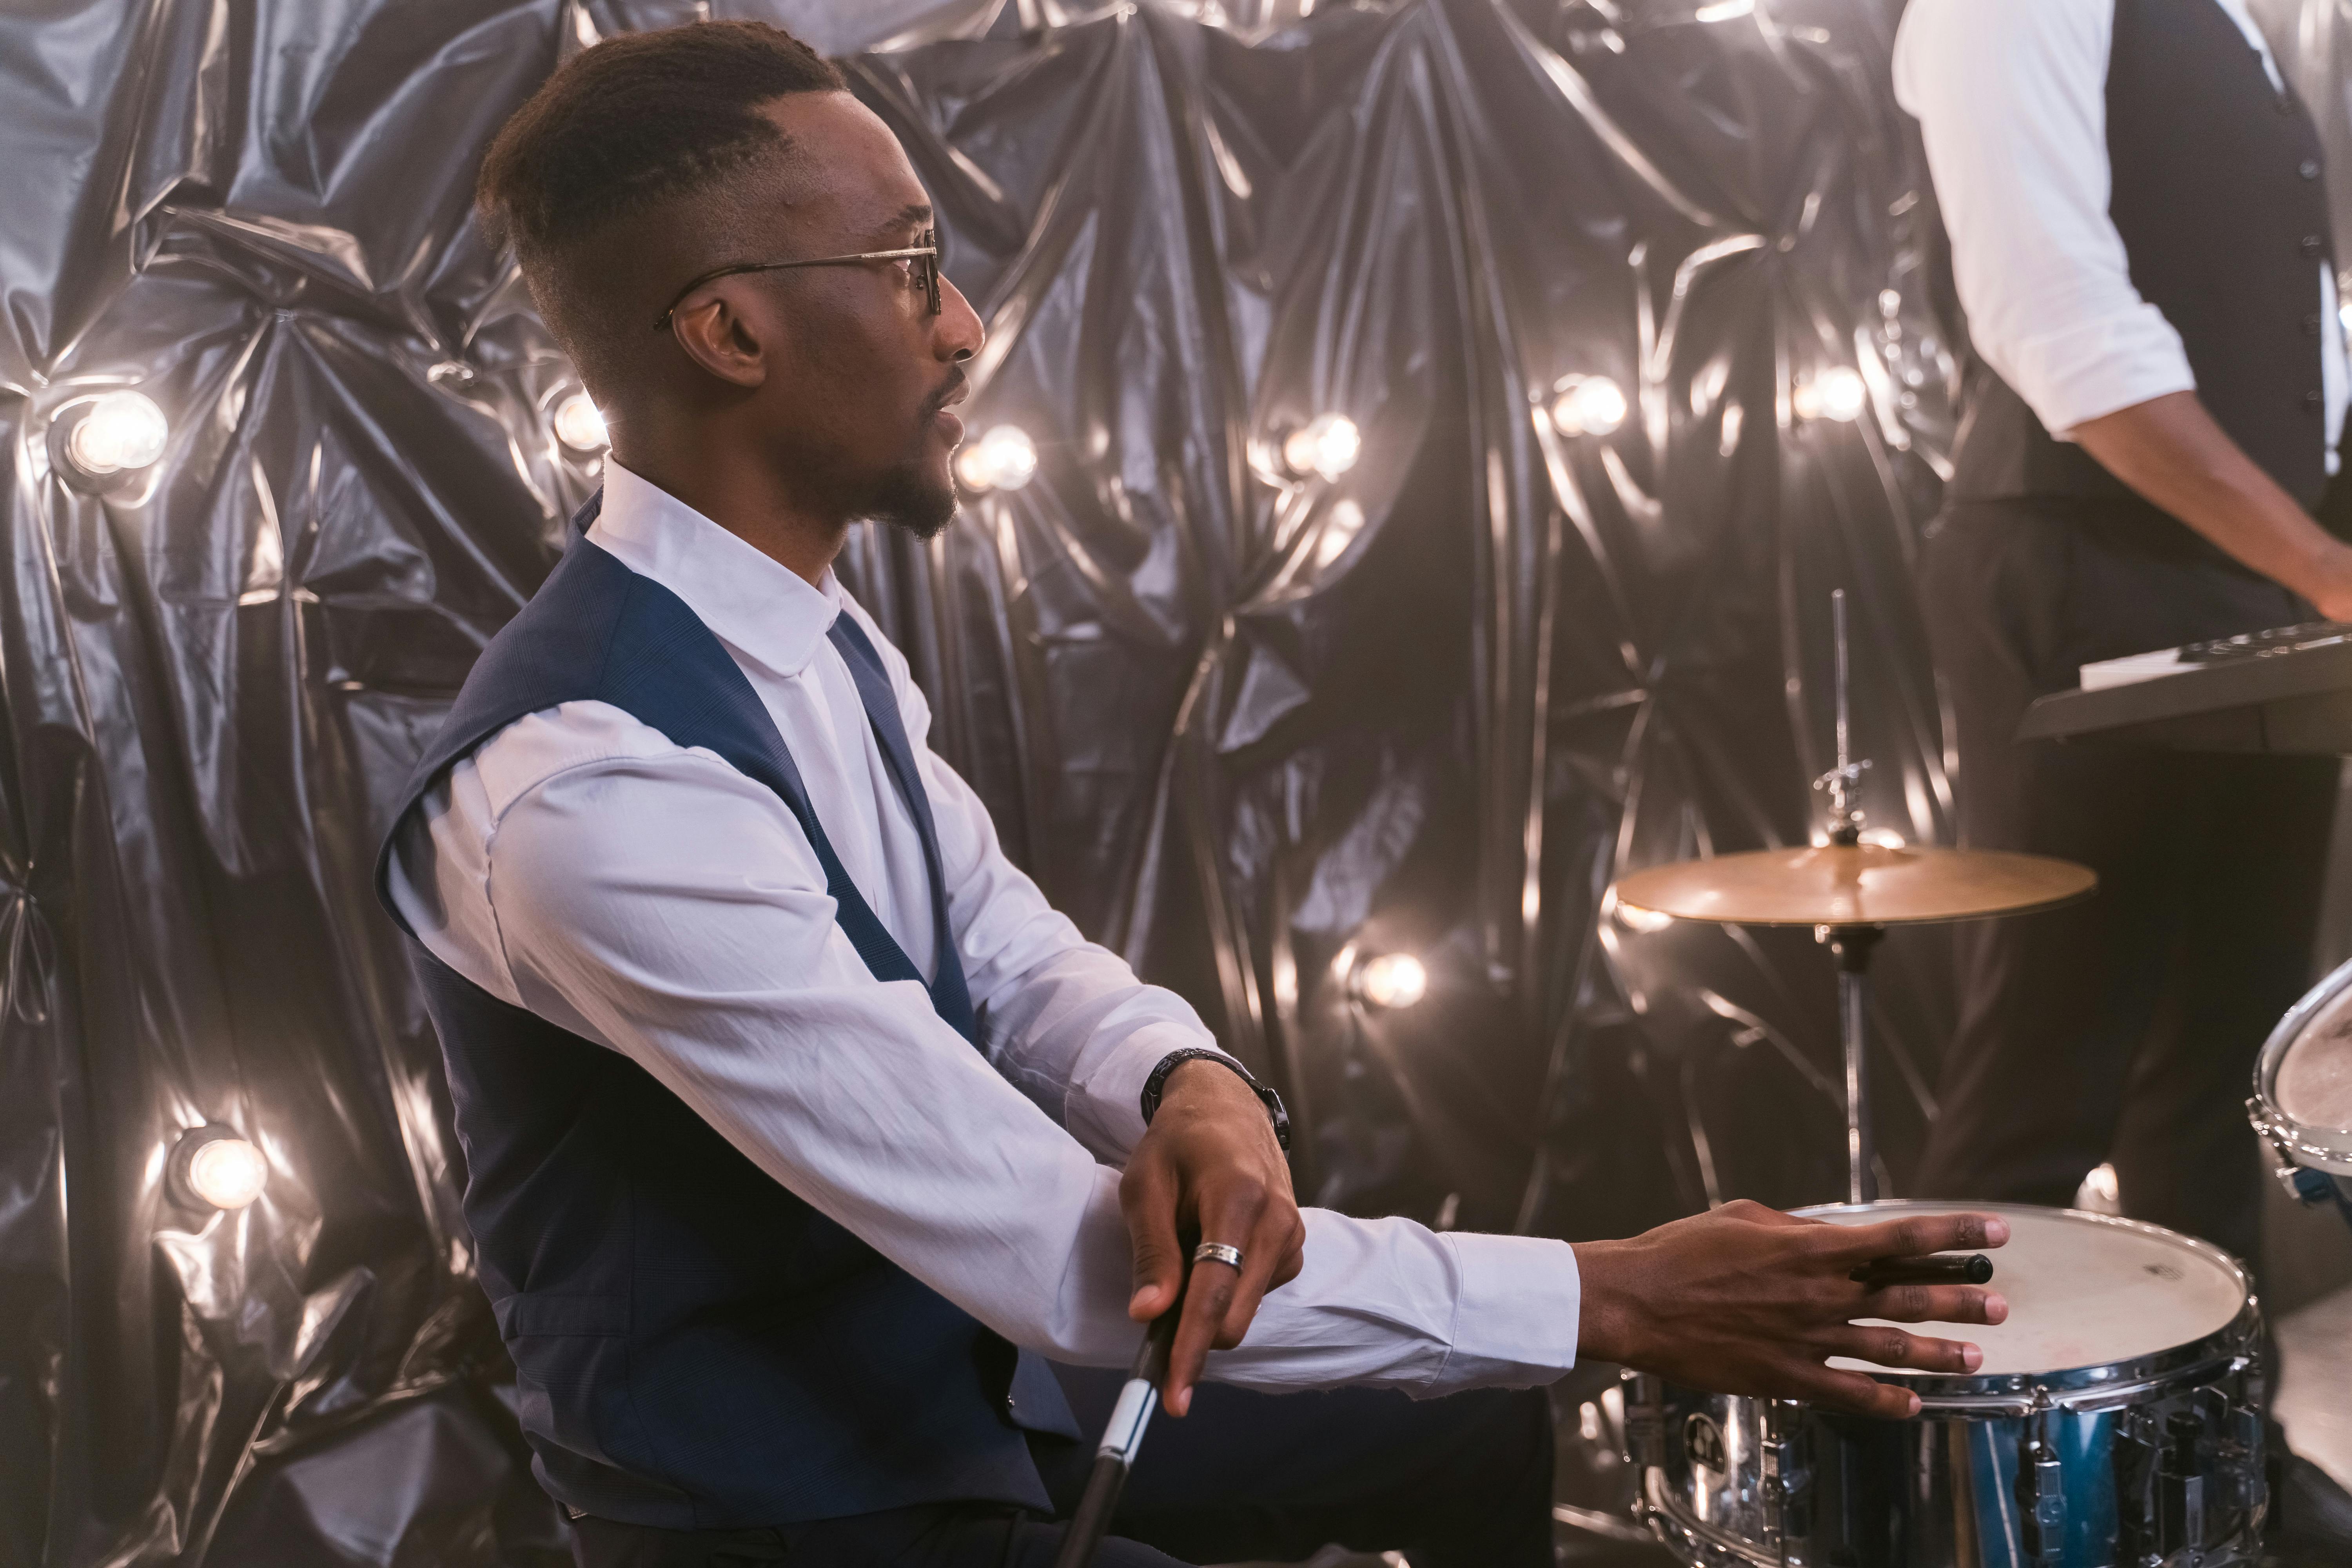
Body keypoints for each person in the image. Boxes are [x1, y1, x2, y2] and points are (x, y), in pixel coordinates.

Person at [376, 21, 2007, 1568]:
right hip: (795, 1516)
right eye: (907, 268)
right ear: (727, 330)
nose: (962, 323)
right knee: (1509, 1358)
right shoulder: (590, 793)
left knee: (1473, 1435)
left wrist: (1188, 1076)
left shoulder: (807, 635)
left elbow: (1006, 948)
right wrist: (1613, 1297)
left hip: (966, 1397)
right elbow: (1067, 1268)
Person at [1893, 0, 2352, 1269]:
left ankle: (2214, 1456)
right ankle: (1951, 1460)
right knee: (2051, 1066)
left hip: (2258, 574)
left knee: (2233, 1070)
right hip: (2089, 562)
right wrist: (2321, 566)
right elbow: (2053, 310)